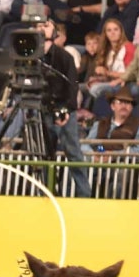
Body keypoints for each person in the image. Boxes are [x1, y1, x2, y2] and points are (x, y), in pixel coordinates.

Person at [36, 18, 91, 197]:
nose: (42, 28)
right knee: (44, 155)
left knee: (73, 153)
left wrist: (67, 109)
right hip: (41, 108)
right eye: (40, 25)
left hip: (63, 108)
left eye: (46, 25)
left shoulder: (64, 56)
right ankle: (48, 193)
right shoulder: (32, 56)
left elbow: (72, 86)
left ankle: (85, 195)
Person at [82, 85, 139, 155]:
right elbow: (86, 144)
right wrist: (96, 155)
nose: (124, 106)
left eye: (127, 102)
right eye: (120, 102)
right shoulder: (100, 123)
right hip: (98, 161)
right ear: (112, 106)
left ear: (132, 107)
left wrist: (113, 155)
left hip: (124, 164)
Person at [87, 18, 135, 99]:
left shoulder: (128, 47)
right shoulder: (106, 49)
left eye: (116, 29)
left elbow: (130, 74)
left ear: (121, 32)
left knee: (95, 89)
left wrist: (107, 73)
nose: (112, 33)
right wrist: (99, 77)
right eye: (109, 30)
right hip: (110, 81)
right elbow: (108, 75)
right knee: (76, 87)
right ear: (105, 34)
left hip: (124, 83)